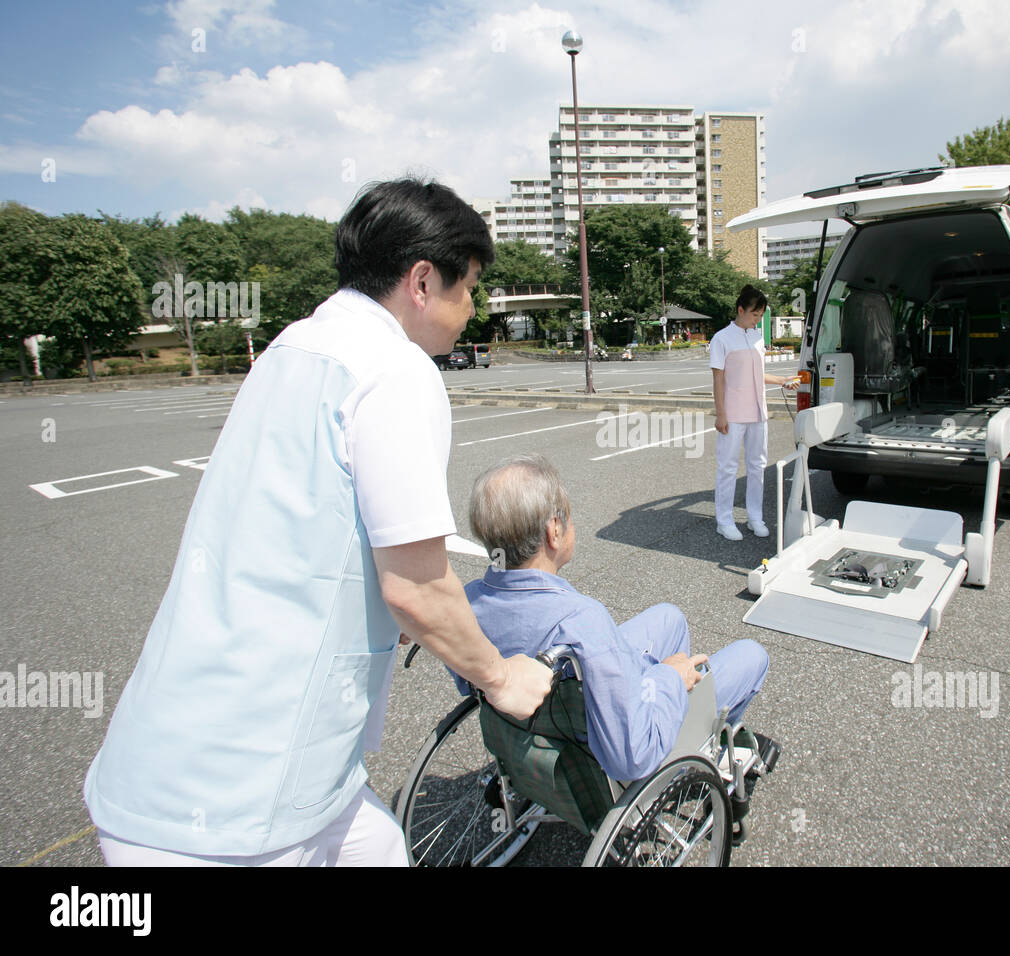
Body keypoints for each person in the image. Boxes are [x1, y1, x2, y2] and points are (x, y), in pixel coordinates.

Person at [82, 178, 553, 867]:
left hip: (174, 752)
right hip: (247, 788)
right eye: (469, 287)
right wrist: (501, 676)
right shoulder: (394, 369)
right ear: (422, 281)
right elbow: (417, 586)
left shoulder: (292, 348)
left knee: (379, 847)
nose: (473, 308)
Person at [459, 454, 779, 785]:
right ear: (554, 532)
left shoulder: (468, 603)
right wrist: (670, 679)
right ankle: (695, 753)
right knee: (753, 655)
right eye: (566, 517)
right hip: (613, 753)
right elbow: (631, 757)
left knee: (670, 618)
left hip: (543, 727)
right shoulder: (581, 621)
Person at [710, 285, 798, 540]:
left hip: (758, 412)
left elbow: (757, 375)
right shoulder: (722, 338)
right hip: (733, 413)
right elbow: (718, 379)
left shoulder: (758, 338)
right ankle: (724, 520)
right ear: (740, 309)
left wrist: (782, 380)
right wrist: (720, 413)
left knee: (757, 466)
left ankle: (755, 517)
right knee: (728, 467)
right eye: (754, 314)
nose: (757, 319)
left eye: (760, 315)